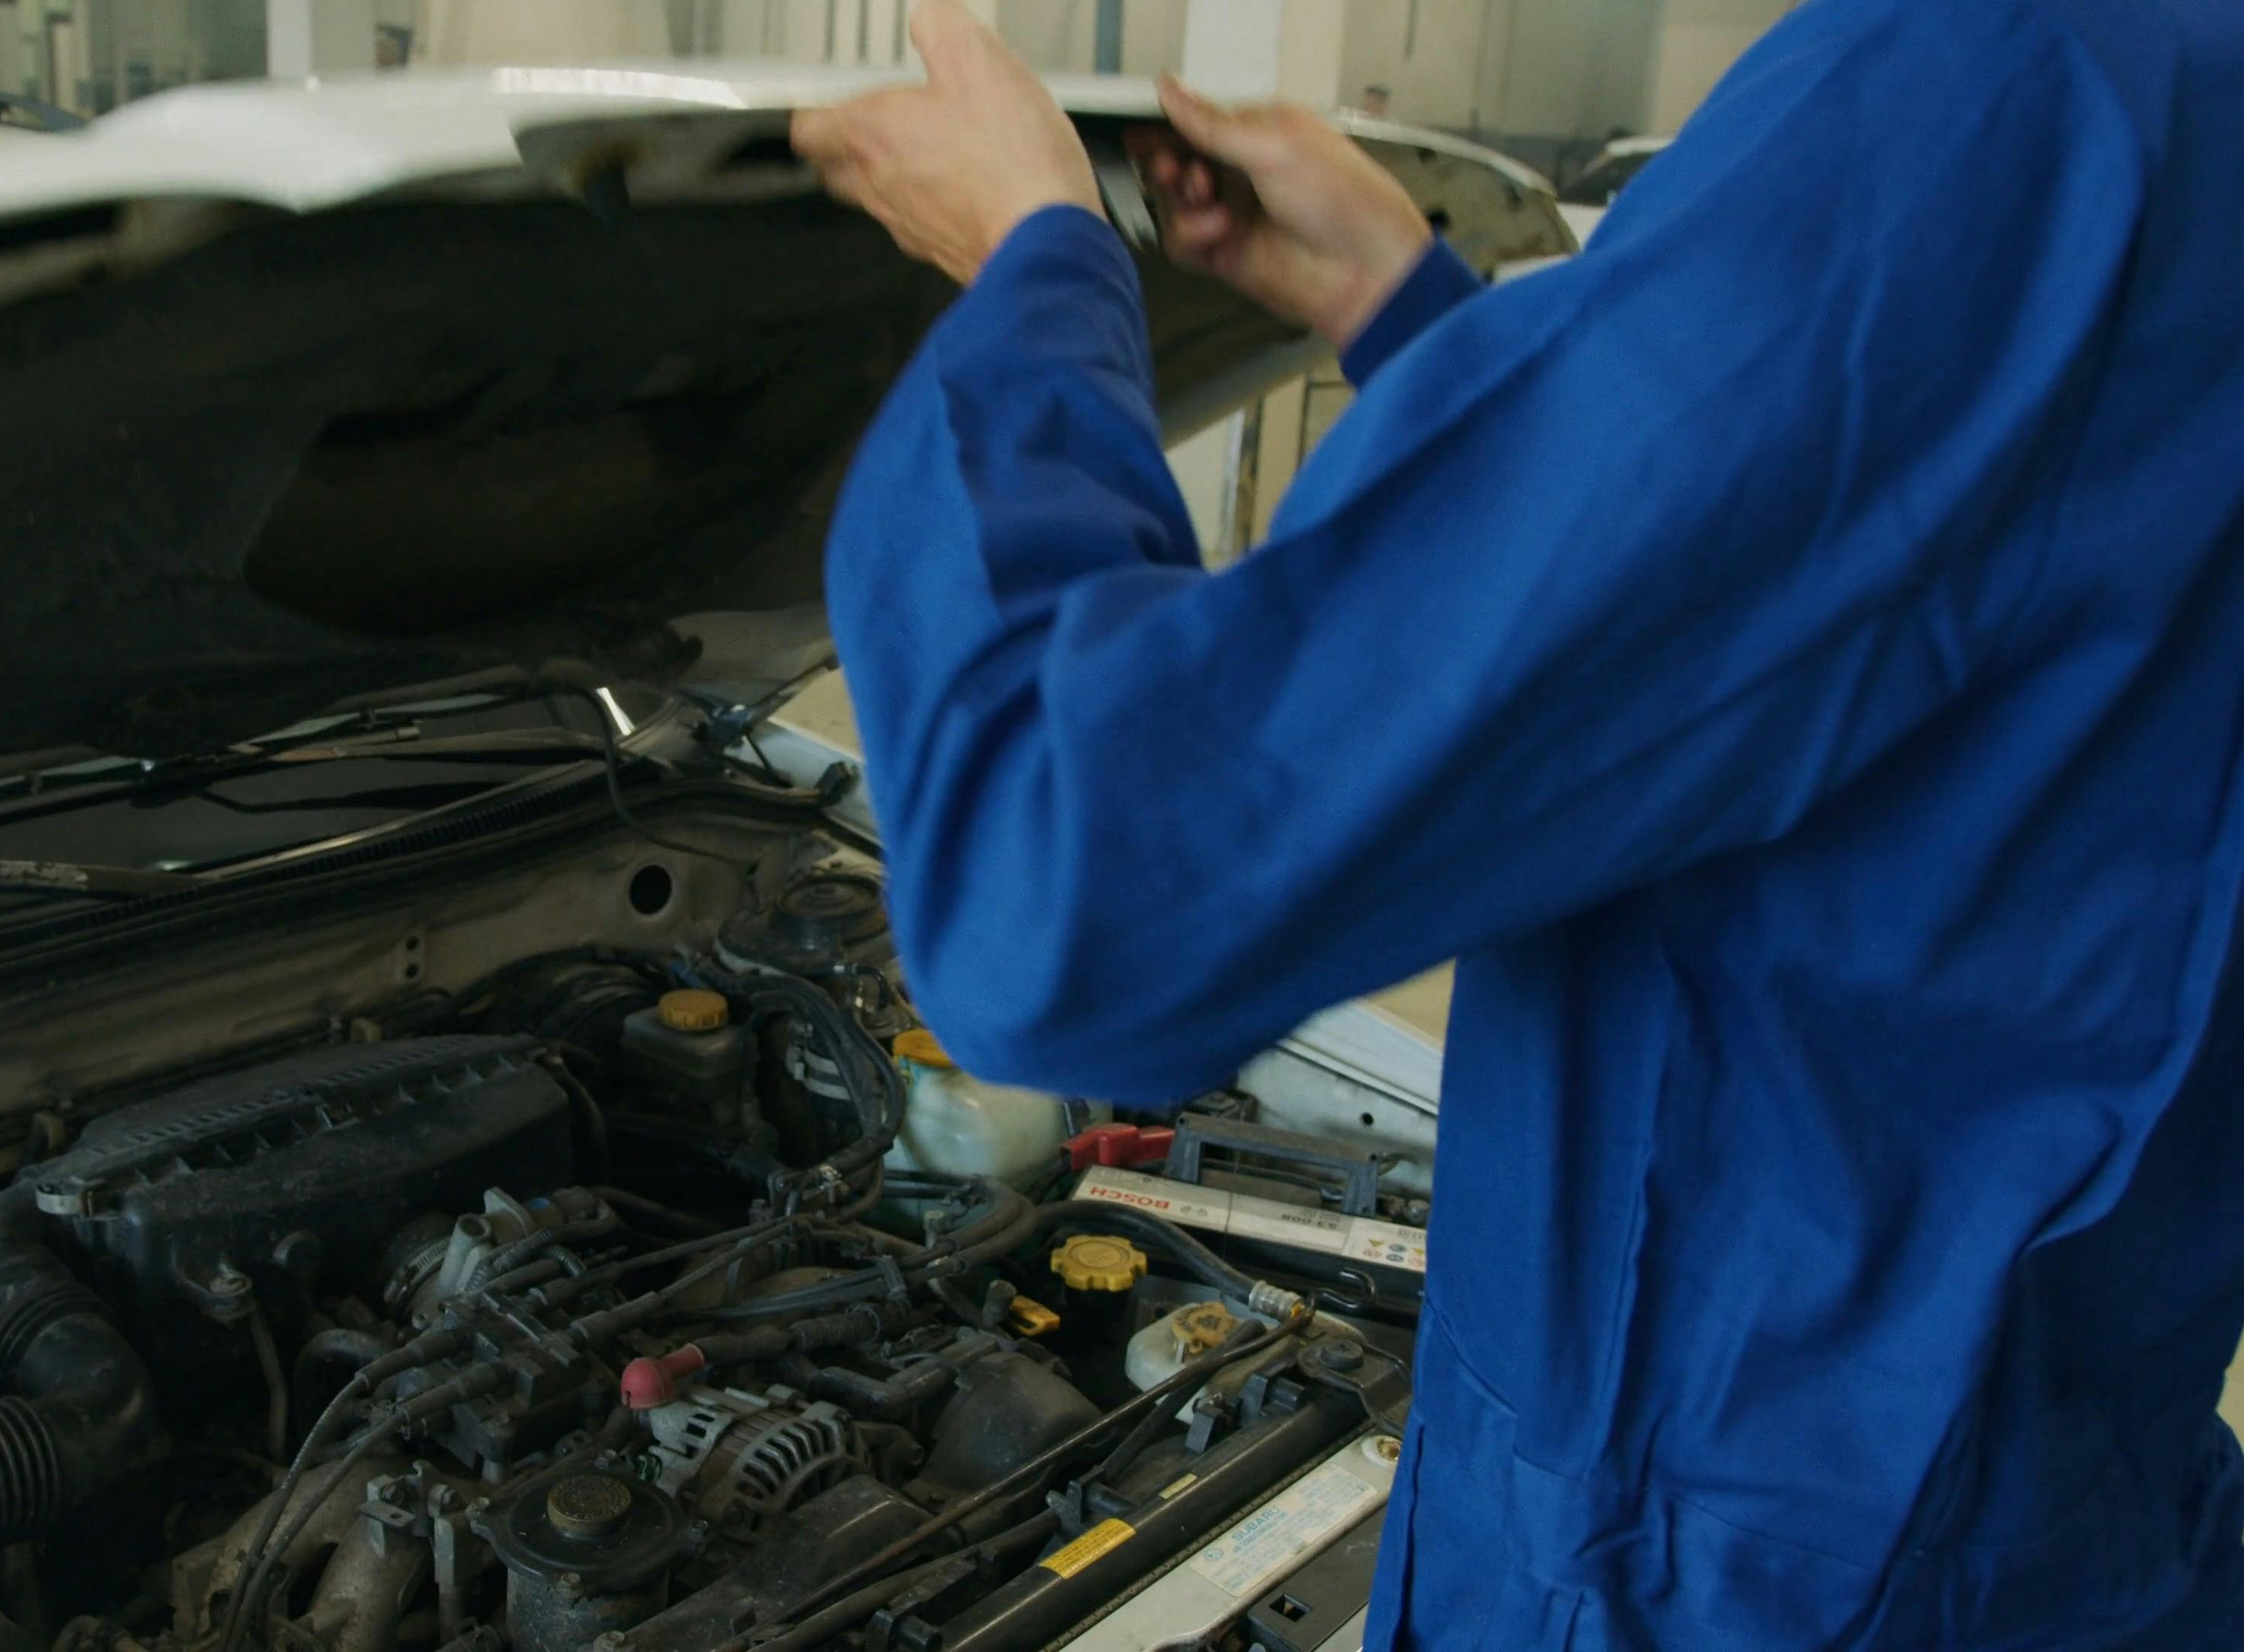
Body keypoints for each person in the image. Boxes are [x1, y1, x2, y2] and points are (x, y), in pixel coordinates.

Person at [791, 0, 2244, 1646]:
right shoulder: (2175, 88)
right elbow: (1867, 595)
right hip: (2060, 1511)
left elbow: (1076, 888)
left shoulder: (1997, 86)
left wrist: (1030, 274)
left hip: (1721, 1556)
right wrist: (1400, 309)